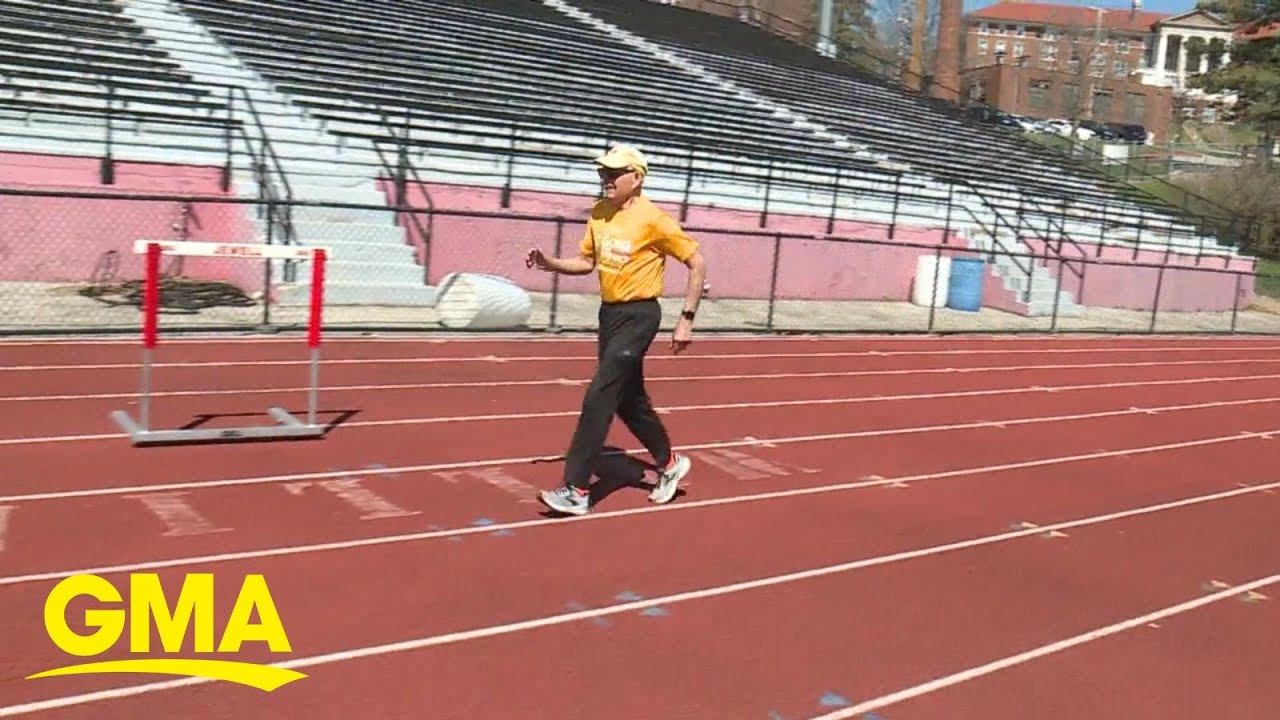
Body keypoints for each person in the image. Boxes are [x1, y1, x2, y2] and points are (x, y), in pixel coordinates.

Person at [525, 143, 707, 516]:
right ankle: (670, 464)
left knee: (599, 397)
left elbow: (696, 262)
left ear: (636, 178)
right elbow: (586, 262)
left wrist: (686, 319)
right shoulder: (600, 213)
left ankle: (576, 489)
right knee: (629, 401)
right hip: (610, 316)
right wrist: (550, 264)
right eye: (602, 172)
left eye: (613, 172)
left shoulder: (654, 219)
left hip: (640, 316)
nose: (604, 179)